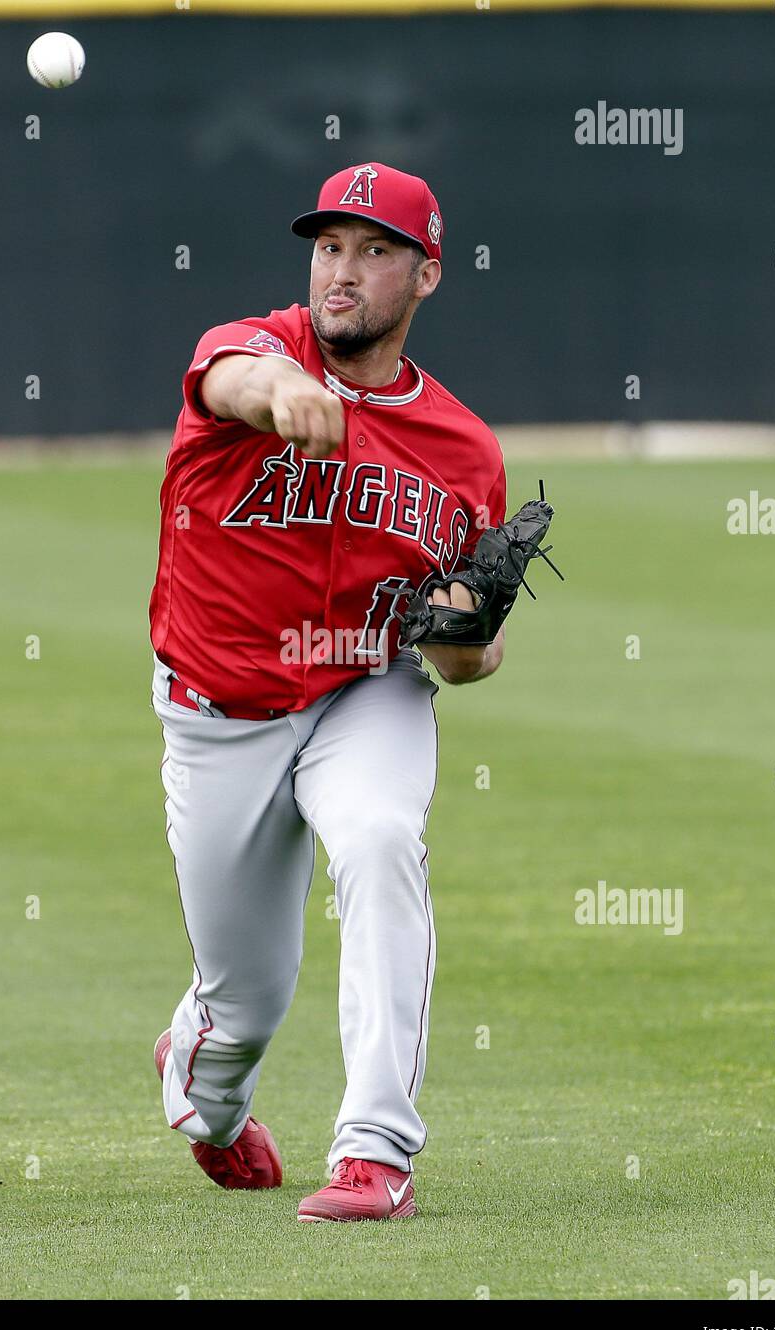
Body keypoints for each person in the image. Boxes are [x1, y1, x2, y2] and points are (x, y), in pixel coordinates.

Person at [148, 162, 508, 1222]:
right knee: (243, 1004)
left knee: (383, 838)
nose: (341, 271)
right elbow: (237, 383)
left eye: (374, 250)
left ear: (426, 274)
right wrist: (287, 390)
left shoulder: (462, 450)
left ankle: (374, 1151)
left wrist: (467, 637)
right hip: (219, 711)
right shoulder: (251, 349)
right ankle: (207, 1096)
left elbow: (463, 659)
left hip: (364, 689)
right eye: (328, 247)